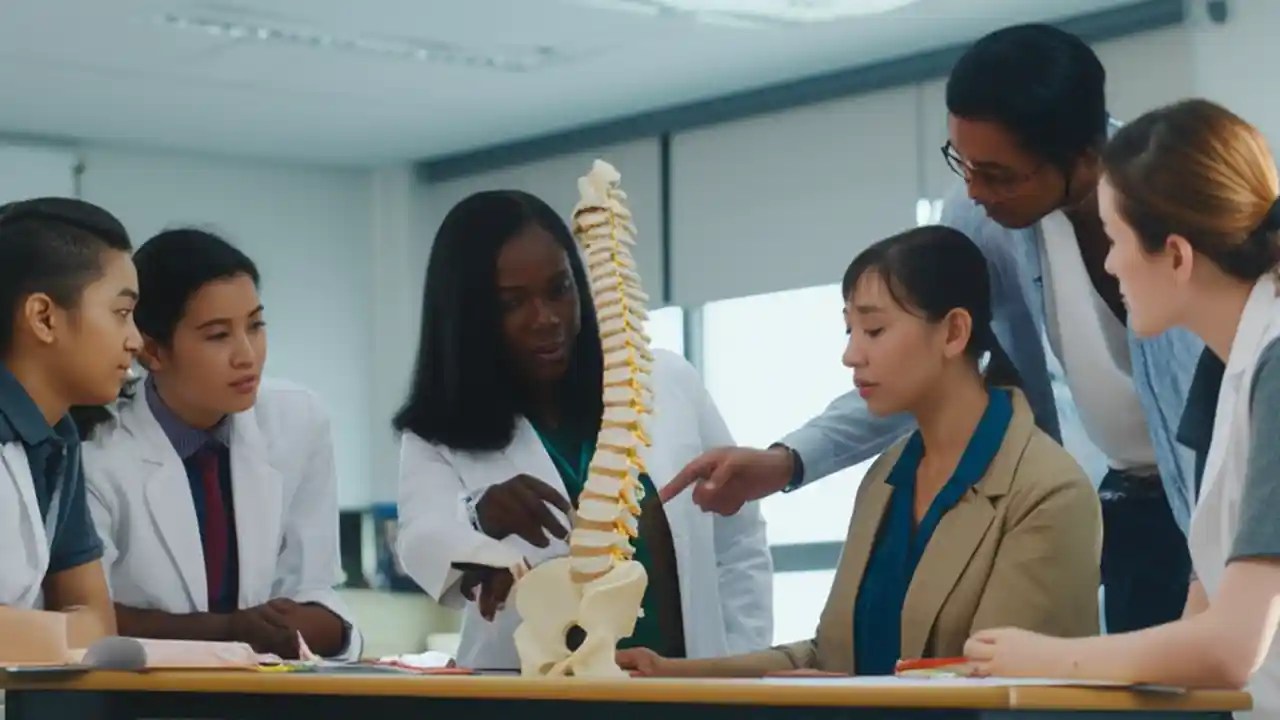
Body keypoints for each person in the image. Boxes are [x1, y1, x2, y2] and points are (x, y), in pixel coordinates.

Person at [662, 22, 1203, 635]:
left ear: (1084, 156)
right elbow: (928, 364)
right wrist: (791, 461)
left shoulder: (1179, 201)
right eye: (962, 162)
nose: (974, 189)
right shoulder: (983, 219)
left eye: (998, 173)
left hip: (1223, 504)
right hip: (1128, 504)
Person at [619, 226, 1100, 678]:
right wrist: (672, 670)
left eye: (873, 331)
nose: (852, 355)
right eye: (849, 331)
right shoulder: (888, 476)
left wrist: (845, 698)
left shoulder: (1048, 493)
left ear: (954, 333)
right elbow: (833, 654)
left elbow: (997, 683)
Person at [965, 99, 1280, 716]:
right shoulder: (1224, 370)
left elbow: (1229, 649)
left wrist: (1043, 656)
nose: (1107, 264)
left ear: (1178, 256)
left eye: (1114, 240)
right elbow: (1203, 618)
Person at [394, 190, 773, 670]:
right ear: (467, 316)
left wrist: (738, 662)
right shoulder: (439, 435)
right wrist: (478, 519)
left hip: (688, 690)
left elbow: (737, 538)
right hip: (533, 696)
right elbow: (423, 535)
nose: (546, 318)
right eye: (512, 303)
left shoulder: (666, 381)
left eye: (560, 289)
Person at [80, 229, 362, 660]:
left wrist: (311, 627)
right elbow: (86, 617)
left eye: (256, 325)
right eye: (217, 335)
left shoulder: (297, 420)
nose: (247, 355)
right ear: (151, 350)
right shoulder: (95, 447)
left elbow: (313, 587)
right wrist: (229, 630)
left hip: (265, 694)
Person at [0, 197, 139, 645]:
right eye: (121, 313)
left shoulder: (57, 440)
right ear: (43, 317)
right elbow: (80, 630)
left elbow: (99, 625)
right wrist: (64, 631)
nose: (135, 340)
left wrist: (32, 631)